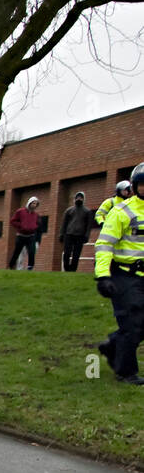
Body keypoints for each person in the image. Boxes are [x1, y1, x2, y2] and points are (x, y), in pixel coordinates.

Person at [94, 162, 144, 386]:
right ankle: (126, 372)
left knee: (140, 326)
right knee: (131, 324)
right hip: (124, 275)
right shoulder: (121, 212)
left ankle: (112, 345)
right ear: (134, 187)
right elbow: (104, 245)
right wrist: (103, 276)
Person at [59, 191, 94, 273]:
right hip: (69, 234)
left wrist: (87, 235)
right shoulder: (69, 210)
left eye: (81, 197)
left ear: (83, 199)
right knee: (67, 253)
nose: (79, 199)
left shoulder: (87, 211)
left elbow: (89, 225)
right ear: (74, 199)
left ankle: (73, 269)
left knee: (76, 254)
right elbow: (64, 223)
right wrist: (61, 234)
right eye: (77, 197)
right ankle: (67, 268)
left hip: (80, 235)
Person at [8, 197, 40, 270]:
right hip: (21, 236)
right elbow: (13, 221)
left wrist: (34, 227)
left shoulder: (36, 215)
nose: (34, 205)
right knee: (17, 252)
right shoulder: (20, 211)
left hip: (31, 236)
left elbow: (38, 224)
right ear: (29, 203)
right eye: (33, 203)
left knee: (32, 252)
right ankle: (11, 266)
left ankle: (30, 267)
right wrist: (21, 226)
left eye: (36, 204)